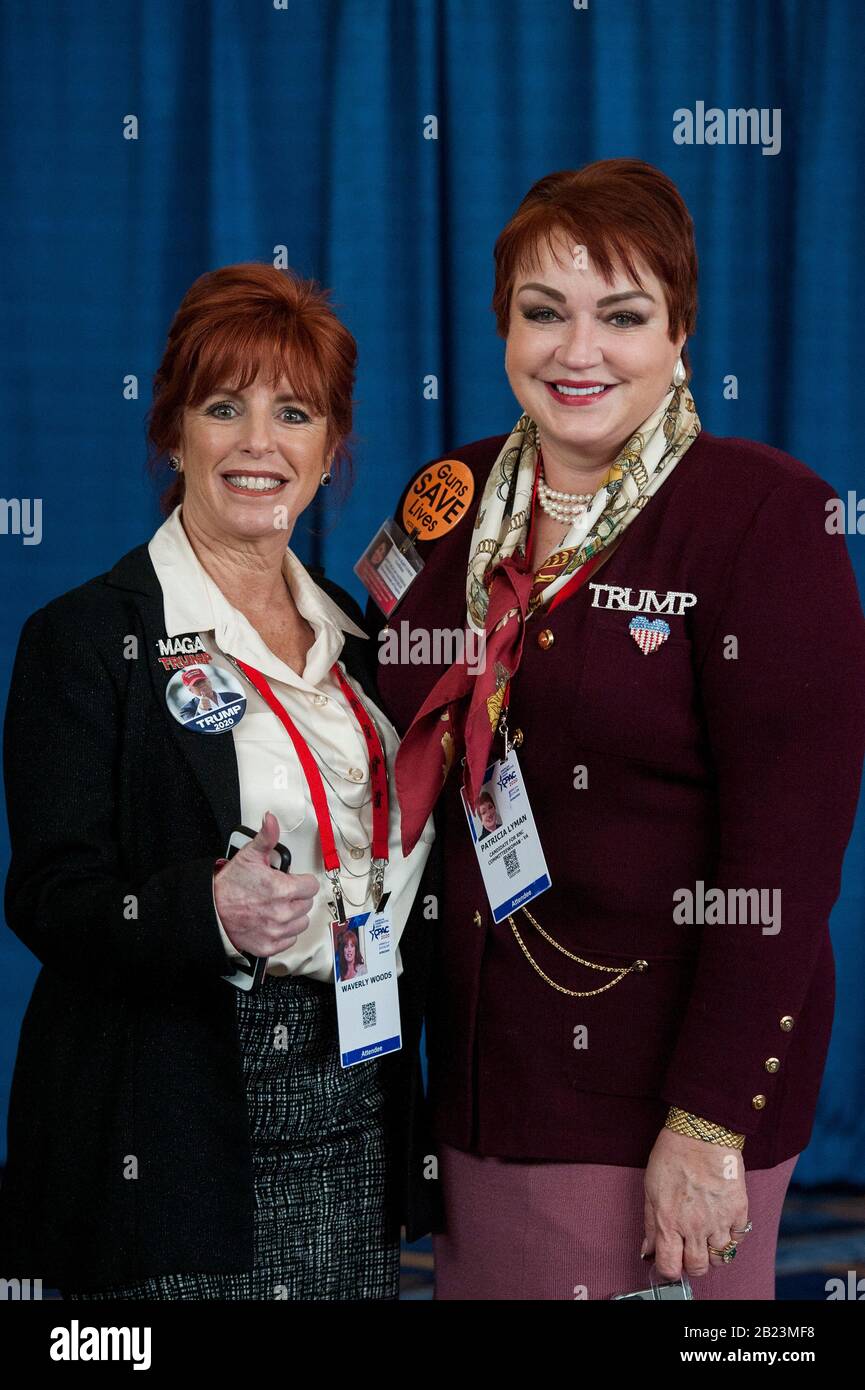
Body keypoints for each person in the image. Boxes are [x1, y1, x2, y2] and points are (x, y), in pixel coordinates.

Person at [369, 159, 865, 1300]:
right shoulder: (448, 496)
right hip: (483, 1080)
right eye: (543, 312)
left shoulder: (762, 517)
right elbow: (363, 709)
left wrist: (706, 1126)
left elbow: (781, 872)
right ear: (501, 326)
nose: (575, 350)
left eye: (622, 315)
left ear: (680, 331)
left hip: (663, 1095)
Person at [0, 261, 435, 1300]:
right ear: (172, 432)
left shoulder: (366, 638)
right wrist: (202, 905)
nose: (258, 443)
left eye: (294, 412)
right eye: (222, 405)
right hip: (170, 1125)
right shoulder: (85, 639)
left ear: (330, 450)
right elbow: (50, 896)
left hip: (353, 1103)